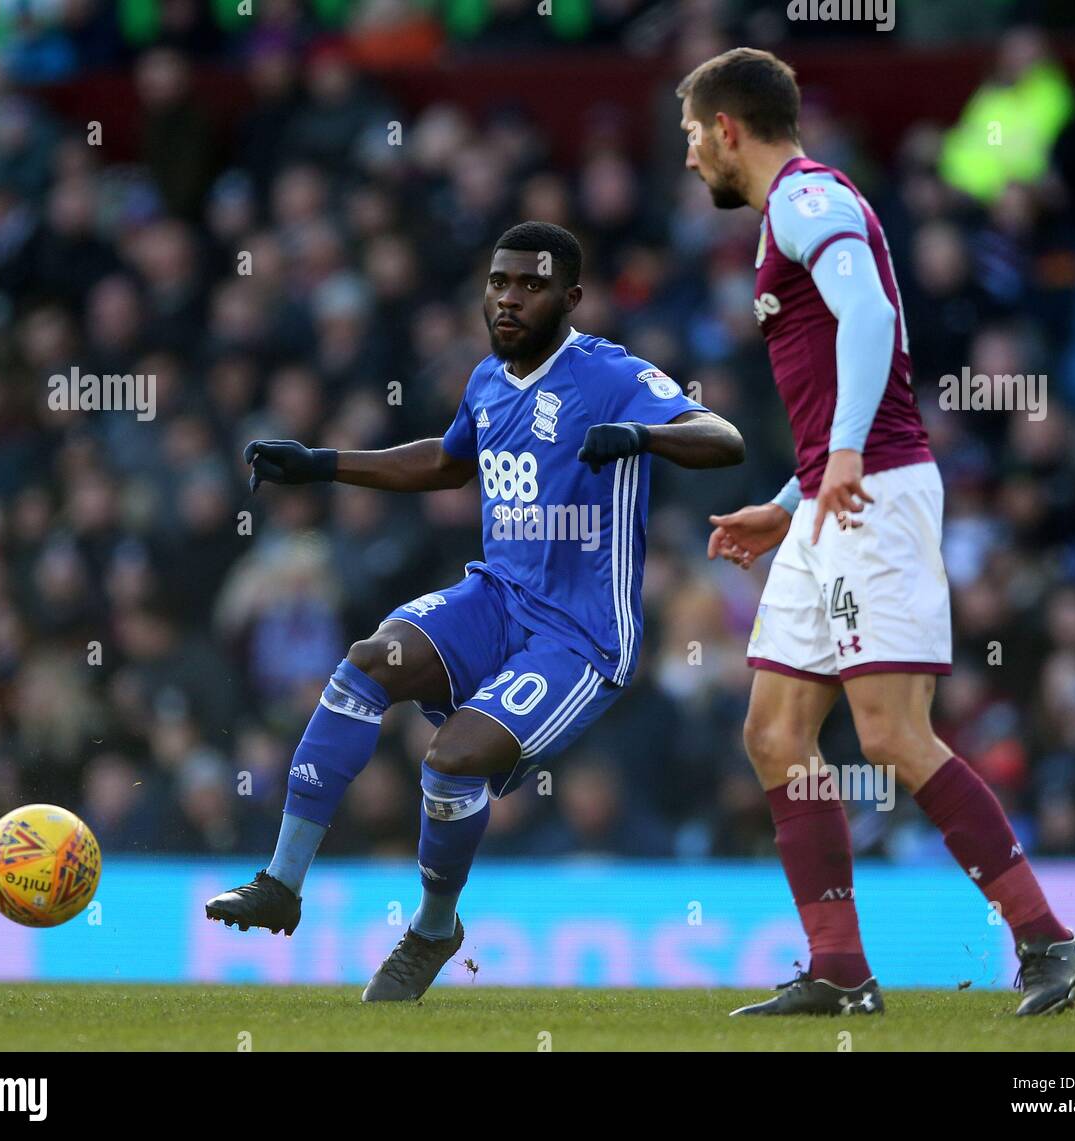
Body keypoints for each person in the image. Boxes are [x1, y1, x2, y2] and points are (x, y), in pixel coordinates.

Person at [205, 221, 744, 1001]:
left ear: (571, 297)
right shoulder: (490, 380)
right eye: (499, 282)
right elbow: (447, 462)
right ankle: (281, 882)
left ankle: (431, 929)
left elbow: (721, 437)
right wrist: (321, 464)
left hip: (581, 636)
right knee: (366, 664)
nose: (509, 298)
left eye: (530, 284)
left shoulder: (608, 373)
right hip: (496, 595)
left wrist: (639, 435)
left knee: (451, 761)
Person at [677, 48, 1075, 1017]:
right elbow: (842, 367)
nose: (691, 157)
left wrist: (844, 456)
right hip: (832, 500)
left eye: (694, 136)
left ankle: (1048, 942)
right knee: (775, 730)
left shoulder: (804, 198)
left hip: (876, 494)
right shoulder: (791, 213)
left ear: (730, 128)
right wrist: (789, 501)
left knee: (890, 732)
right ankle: (838, 968)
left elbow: (867, 314)